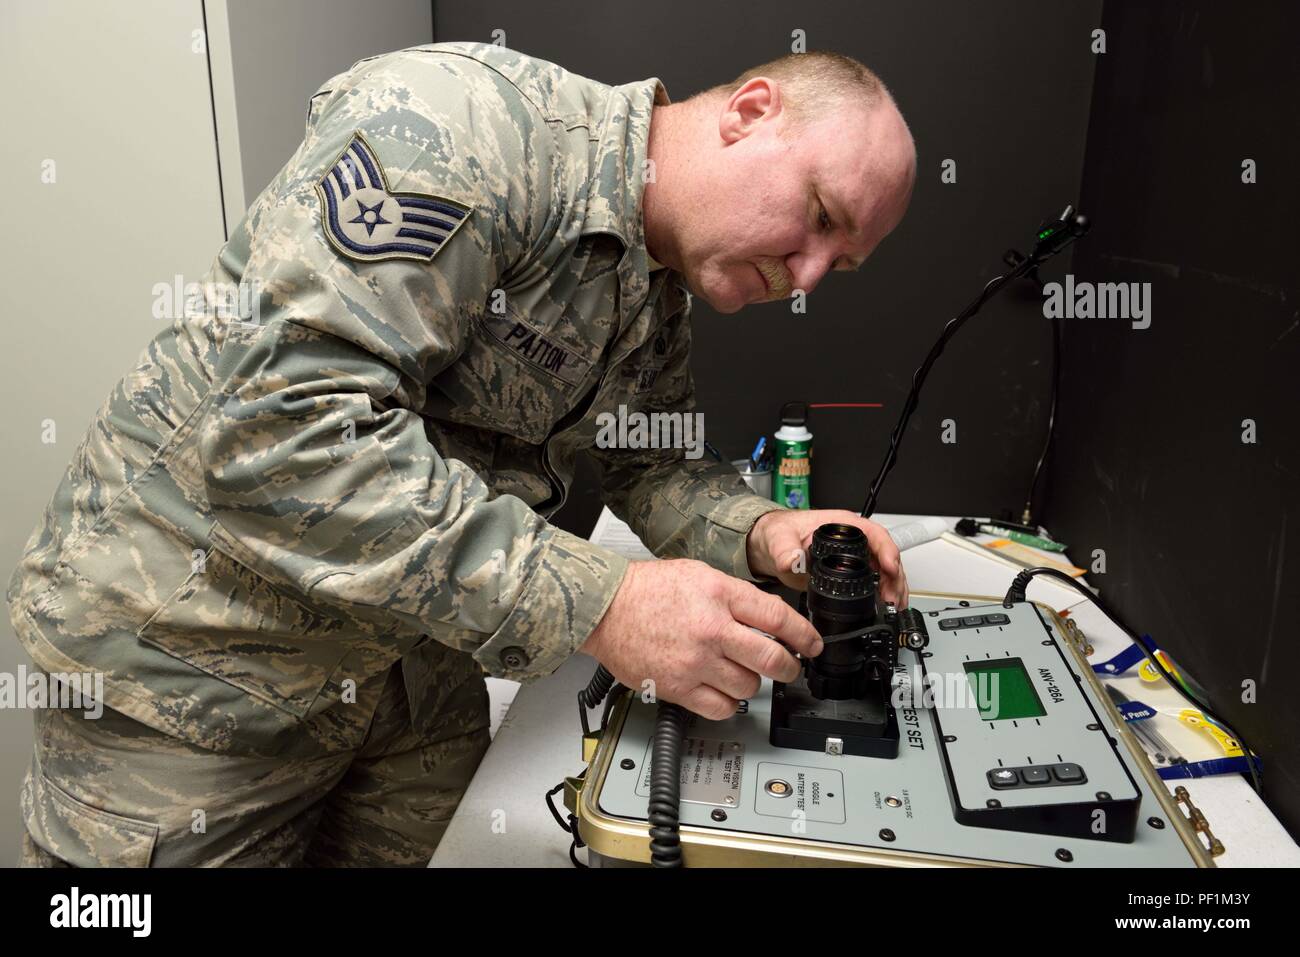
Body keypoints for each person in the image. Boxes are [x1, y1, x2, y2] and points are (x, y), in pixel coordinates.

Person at [10, 41, 916, 867]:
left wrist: (767, 532)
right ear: (749, 110)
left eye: (838, 265)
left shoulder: (655, 282)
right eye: (818, 215)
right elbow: (284, 428)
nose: (804, 276)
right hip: (202, 678)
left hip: (405, 677)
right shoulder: (458, 127)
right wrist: (606, 600)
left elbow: (649, 461)